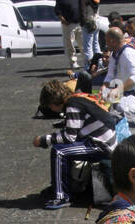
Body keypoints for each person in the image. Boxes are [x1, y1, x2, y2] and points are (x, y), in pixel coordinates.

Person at [34, 77, 119, 210]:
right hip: (104, 141)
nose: (51, 109)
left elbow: (69, 137)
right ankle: (59, 187)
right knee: (63, 149)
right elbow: (73, 130)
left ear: (53, 101)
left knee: (59, 152)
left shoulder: (72, 105)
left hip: (100, 145)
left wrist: (44, 140)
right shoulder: (78, 98)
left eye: (50, 105)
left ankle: (62, 196)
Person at [97, 26, 135, 124]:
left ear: (112, 41)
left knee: (121, 109)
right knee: (96, 101)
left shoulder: (128, 54)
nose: (106, 44)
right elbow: (110, 75)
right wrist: (104, 87)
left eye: (107, 41)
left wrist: (118, 90)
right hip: (121, 92)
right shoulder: (114, 55)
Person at [73, 0, 102, 69]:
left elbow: (82, 12)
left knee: (87, 47)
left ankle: (89, 66)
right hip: (97, 20)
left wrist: (82, 23)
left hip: (88, 23)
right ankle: (100, 64)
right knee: (96, 44)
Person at [55, 0, 82, 73]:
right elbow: (57, 11)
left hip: (79, 24)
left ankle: (86, 61)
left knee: (82, 43)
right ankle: (73, 62)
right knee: (70, 44)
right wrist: (62, 19)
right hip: (68, 25)